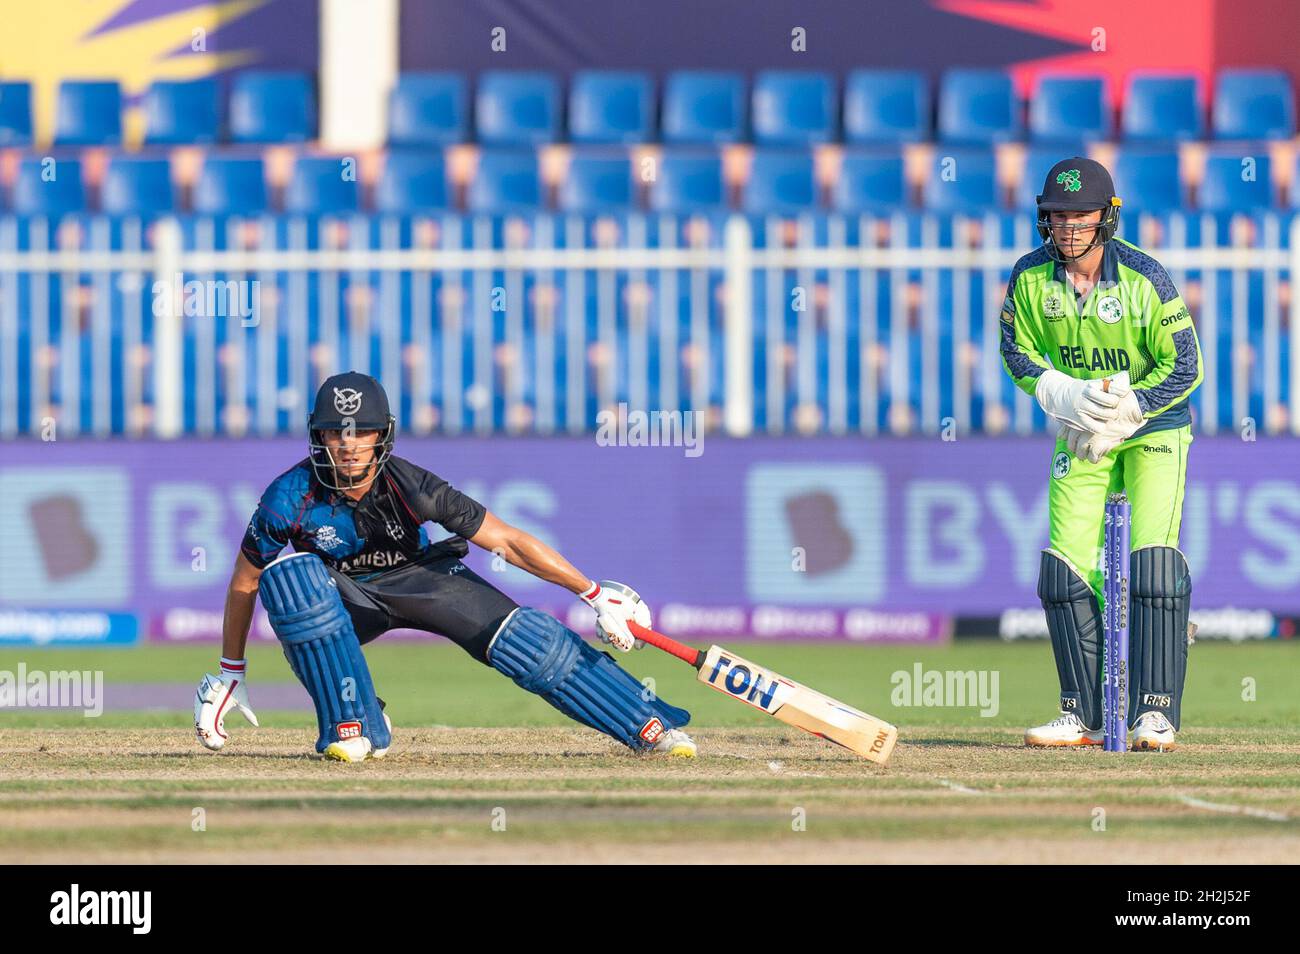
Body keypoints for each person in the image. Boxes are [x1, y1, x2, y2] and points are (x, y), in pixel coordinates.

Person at [195, 371, 696, 761]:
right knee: (291, 582)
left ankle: (647, 724)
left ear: (382, 435)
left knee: (530, 643)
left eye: (362, 431)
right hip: (344, 596)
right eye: (336, 431)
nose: (349, 444)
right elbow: (246, 582)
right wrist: (230, 671)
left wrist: (589, 592)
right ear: (318, 436)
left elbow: (507, 541)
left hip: (424, 578)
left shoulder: (412, 484)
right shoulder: (289, 494)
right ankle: (354, 724)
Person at [1000, 157, 1203, 751]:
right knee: (1063, 570)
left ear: (1107, 218)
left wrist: (1132, 408)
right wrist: (1057, 392)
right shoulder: (1029, 277)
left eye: (1081, 215)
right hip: (1080, 427)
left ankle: (1154, 713)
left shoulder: (1145, 277)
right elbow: (1016, 353)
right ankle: (1081, 713)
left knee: (1154, 565)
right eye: (1058, 216)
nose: (1068, 227)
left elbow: (1186, 365)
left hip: (1154, 426)